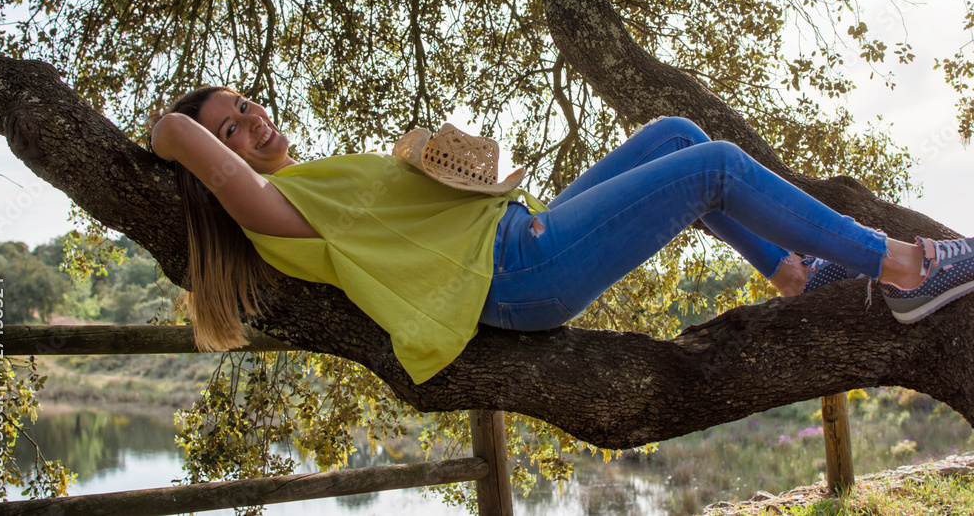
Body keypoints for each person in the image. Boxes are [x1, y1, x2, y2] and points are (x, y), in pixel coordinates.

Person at [150, 87, 974, 384]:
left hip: (518, 230)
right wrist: (179, 132)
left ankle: (796, 275)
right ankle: (906, 269)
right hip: (513, 275)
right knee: (715, 165)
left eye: (246, 104)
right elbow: (184, 145)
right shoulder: (273, 215)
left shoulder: (312, 174)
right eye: (229, 127)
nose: (250, 122)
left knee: (679, 135)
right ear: (215, 163)